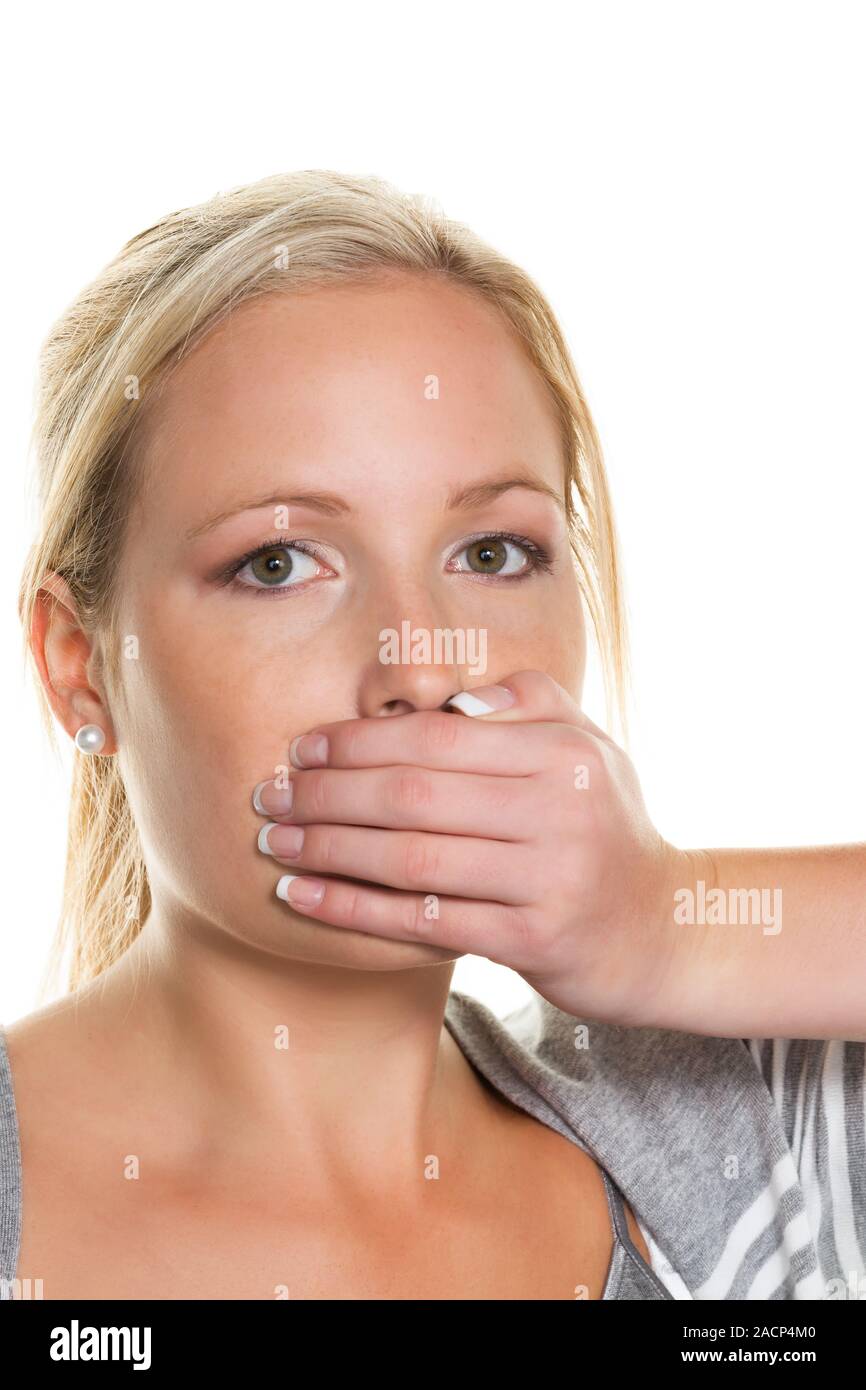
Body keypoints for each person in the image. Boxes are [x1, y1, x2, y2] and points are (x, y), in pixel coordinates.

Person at [1, 171, 862, 1301]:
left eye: (491, 553)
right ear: (81, 667)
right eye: (277, 563)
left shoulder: (756, 1154)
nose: (418, 663)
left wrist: (666, 923)